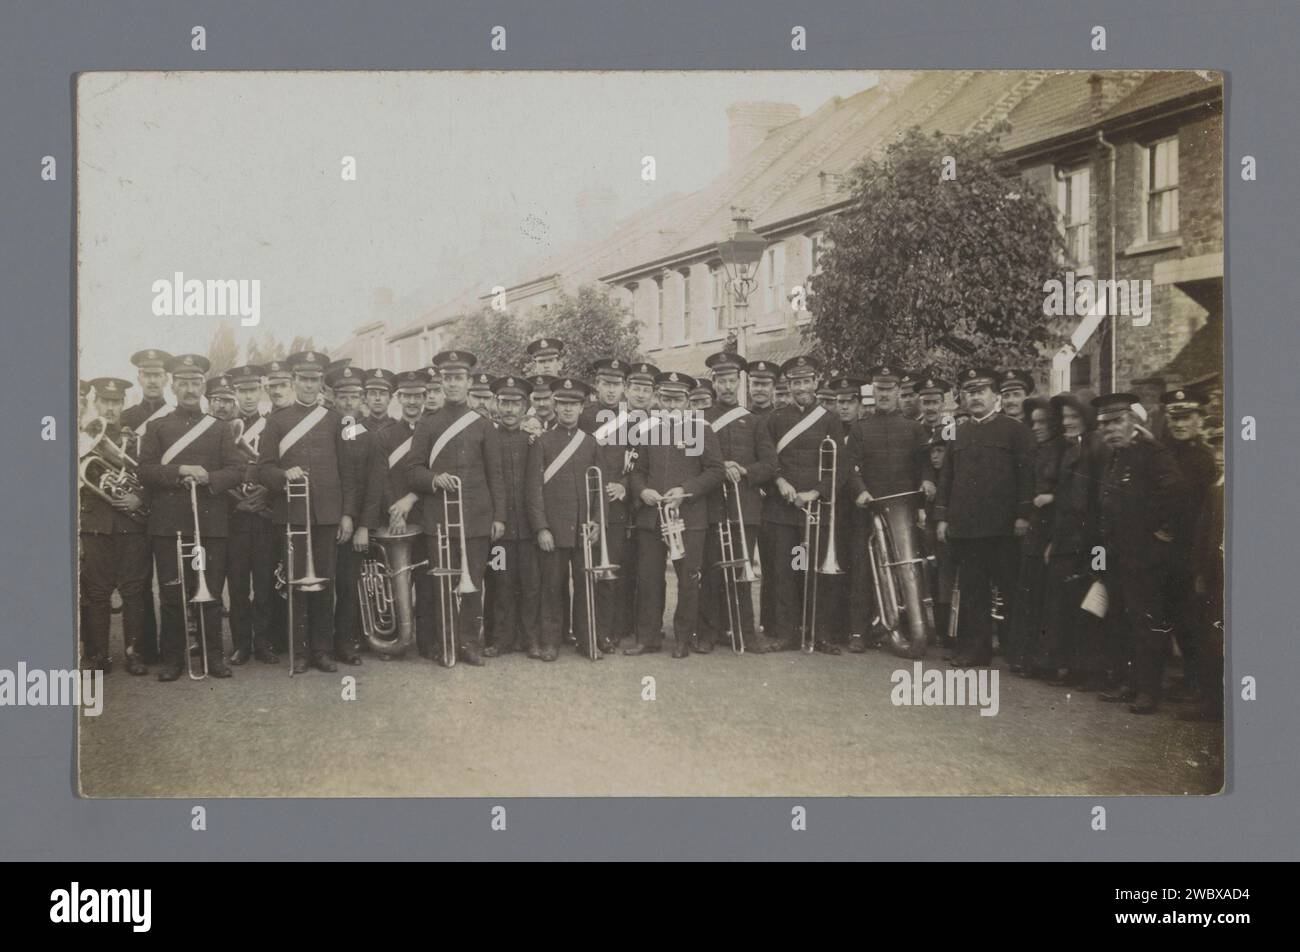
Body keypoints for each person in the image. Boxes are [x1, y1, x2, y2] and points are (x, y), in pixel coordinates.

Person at [138, 354, 243, 681]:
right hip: (168, 525)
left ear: (202, 386)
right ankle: (173, 659)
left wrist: (207, 478)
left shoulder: (220, 428)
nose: (188, 388)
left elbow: (236, 471)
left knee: (210, 592)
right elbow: (145, 471)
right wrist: (181, 470)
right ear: (173, 384)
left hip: (210, 524)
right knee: (171, 594)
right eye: (182, 382)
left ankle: (214, 658)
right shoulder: (157, 427)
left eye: (194, 382)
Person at [257, 350, 358, 674]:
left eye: (315, 380)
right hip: (291, 514)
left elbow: (349, 471)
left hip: (327, 516)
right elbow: (264, 469)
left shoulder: (336, 420)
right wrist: (283, 476)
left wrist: (347, 515)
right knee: (296, 585)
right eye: (303, 379)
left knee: (325, 585)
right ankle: (299, 652)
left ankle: (322, 651)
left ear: (320, 383)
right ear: (294, 380)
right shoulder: (277, 421)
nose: (309, 385)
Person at [406, 350, 505, 666]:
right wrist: (435, 479)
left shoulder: (483, 425)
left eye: (458, 378)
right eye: (447, 378)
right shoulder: (428, 424)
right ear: (440, 381)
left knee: (472, 583)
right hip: (439, 518)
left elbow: (496, 474)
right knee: (442, 584)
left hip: (476, 517)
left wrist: (499, 516)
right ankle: (444, 641)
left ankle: (469, 644)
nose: (452, 384)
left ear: (469, 382)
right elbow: (414, 470)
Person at [1091, 393, 1186, 714]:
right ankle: (1129, 682)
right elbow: (1105, 507)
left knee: (1146, 624)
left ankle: (1148, 691)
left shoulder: (1151, 453)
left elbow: (1175, 491)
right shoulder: (1112, 457)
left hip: (1143, 557)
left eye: (1116, 422)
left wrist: (1159, 533)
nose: (1110, 429)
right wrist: (1100, 557)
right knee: (1120, 619)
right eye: (1104, 424)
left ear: (1133, 421)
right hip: (1115, 554)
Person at [934, 367, 1035, 667]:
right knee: (973, 592)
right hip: (967, 528)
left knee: (1011, 590)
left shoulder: (1015, 431)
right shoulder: (958, 433)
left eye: (981, 391)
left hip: (1003, 527)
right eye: (970, 391)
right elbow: (947, 478)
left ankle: (1018, 653)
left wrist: (1023, 515)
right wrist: (942, 518)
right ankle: (976, 651)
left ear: (995, 396)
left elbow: (1027, 476)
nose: (975, 397)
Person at [624, 372, 723, 658]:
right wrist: (642, 492)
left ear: (688, 402)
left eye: (677, 400)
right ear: (657, 399)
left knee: (688, 579)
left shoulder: (701, 429)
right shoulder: (647, 430)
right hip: (652, 517)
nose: (670, 406)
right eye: (665, 399)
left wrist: (685, 490)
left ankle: (683, 637)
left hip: (688, 516)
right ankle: (648, 637)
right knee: (650, 578)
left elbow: (715, 470)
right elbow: (637, 472)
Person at [762, 356, 846, 653]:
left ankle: (819, 633)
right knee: (786, 572)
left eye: (805, 381)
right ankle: (786, 633)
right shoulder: (775, 418)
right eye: (794, 382)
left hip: (814, 509)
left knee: (813, 571)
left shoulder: (829, 418)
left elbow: (841, 466)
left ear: (815, 383)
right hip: (783, 509)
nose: (800, 387)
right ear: (789, 385)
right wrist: (779, 481)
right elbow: (768, 458)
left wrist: (817, 492)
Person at [845, 366, 931, 652]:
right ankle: (859, 632)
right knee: (862, 569)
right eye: (879, 389)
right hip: (869, 507)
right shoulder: (860, 428)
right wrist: (860, 491)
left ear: (898, 391)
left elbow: (926, 463)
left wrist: (928, 481)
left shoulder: (914, 428)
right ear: (873, 391)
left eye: (889, 389)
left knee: (907, 570)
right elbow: (851, 467)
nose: (884, 394)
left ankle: (908, 628)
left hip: (904, 507)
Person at [697, 353, 777, 653]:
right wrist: (720, 465)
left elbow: (770, 464)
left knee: (742, 573)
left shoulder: (753, 421)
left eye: (732, 381)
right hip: (712, 505)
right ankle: (708, 633)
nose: (727, 387)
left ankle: (745, 633)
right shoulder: (701, 419)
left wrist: (744, 470)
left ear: (738, 382)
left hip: (745, 505)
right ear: (714, 383)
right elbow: (693, 462)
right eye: (722, 381)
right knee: (711, 570)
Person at [360, 369, 437, 659]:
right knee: (393, 580)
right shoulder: (385, 435)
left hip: (426, 514)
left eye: (418, 396)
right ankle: (395, 638)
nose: (413, 401)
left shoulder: (433, 432)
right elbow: (379, 479)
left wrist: (410, 501)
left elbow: (434, 473)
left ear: (425, 397)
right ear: (399, 398)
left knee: (427, 583)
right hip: (394, 518)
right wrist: (395, 511)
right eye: (407, 396)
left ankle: (427, 642)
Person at [527, 377, 604, 660]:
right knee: (552, 587)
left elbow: (598, 487)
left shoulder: (591, 443)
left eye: (574, 404)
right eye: (563, 404)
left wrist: (597, 520)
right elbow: (533, 490)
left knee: (586, 587)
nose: (568, 409)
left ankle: (587, 641)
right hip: (554, 529)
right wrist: (542, 528)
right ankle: (551, 642)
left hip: (584, 529)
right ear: (555, 406)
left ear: (582, 407)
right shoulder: (542, 442)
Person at [79, 377, 151, 674]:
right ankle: (99, 656)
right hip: (95, 524)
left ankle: (133, 654)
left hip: (129, 525)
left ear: (123, 405)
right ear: (96, 404)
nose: (110, 408)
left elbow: (147, 475)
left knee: (133, 590)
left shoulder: (134, 439)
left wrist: (139, 496)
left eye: (116, 402)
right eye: (105, 402)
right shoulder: (83, 438)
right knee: (97, 593)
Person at [1040, 390, 1103, 689]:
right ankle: (1069, 665)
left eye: (1075, 416)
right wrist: (1054, 541)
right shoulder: (1067, 449)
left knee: (1088, 604)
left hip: (1090, 539)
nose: (1068, 422)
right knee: (1063, 602)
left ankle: (1090, 669)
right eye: (1064, 417)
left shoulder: (1096, 448)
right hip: (1067, 537)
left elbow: (1092, 500)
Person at [1159, 387, 1218, 702]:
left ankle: (1198, 684)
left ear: (1199, 419)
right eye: (1175, 418)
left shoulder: (1203, 459)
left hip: (1191, 549)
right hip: (1167, 549)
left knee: (1193, 619)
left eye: (1186, 417)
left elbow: (1197, 509)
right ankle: (1188, 679)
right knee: (1176, 617)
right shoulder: (1166, 452)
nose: (1180, 424)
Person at [119, 348, 174, 665]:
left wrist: (143, 495)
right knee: (138, 583)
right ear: (139, 378)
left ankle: (171, 649)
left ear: (166, 378)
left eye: (158, 374)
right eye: (147, 374)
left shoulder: (176, 416)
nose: (152, 380)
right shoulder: (126, 418)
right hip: (133, 515)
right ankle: (141, 649)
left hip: (163, 509)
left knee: (169, 583)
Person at [1006, 396, 1067, 677]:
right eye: (1034, 422)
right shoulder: (1036, 450)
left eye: (1044, 422)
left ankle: (1046, 661)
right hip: (1034, 528)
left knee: (1049, 597)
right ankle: (1025, 657)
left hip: (1054, 527)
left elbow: (1073, 488)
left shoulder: (1063, 451)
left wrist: (1052, 497)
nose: (1038, 426)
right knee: (1028, 591)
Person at [580, 359, 633, 651]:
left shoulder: (633, 419)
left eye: (617, 385)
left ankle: (607, 631)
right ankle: (583, 629)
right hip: (586, 500)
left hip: (616, 503)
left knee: (610, 568)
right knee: (582, 568)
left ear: (623, 387)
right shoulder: (584, 415)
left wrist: (624, 485)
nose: (611, 390)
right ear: (597, 385)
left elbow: (639, 461)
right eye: (606, 384)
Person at [487, 375, 542, 656]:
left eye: (515, 404)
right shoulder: (488, 438)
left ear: (525, 407)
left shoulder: (533, 440)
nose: (509, 410)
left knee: (531, 585)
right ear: (496, 405)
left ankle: (530, 639)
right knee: (501, 584)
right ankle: (501, 639)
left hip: (529, 530)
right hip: (500, 530)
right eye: (504, 403)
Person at [328, 365, 373, 665]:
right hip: (323, 519)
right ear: (333, 398)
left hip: (352, 522)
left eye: (354, 397)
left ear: (362, 399)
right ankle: (317, 645)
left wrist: (362, 525)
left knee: (347, 586)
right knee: (319, 586)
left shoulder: (369, 436)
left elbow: (373, 485)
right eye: (342, 397)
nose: (348, 403)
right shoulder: (323, 429)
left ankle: (344, 643)